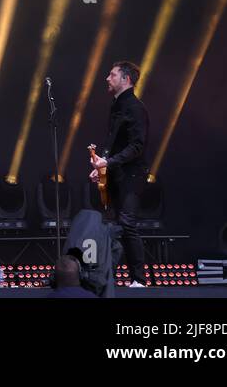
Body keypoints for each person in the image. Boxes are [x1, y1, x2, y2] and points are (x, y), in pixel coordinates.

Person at [89, 60, 150, 288]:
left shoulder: (135, 107)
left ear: (126, 79)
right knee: (115, 224)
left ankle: (139, 280)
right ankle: (108, 276)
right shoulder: (116, 106)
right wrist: (101, 166)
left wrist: (109, 161)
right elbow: (112, 142)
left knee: (126, 223)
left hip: (132, 174)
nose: (107, 78)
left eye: (112, 75)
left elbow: (137, 146)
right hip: (117, 173)